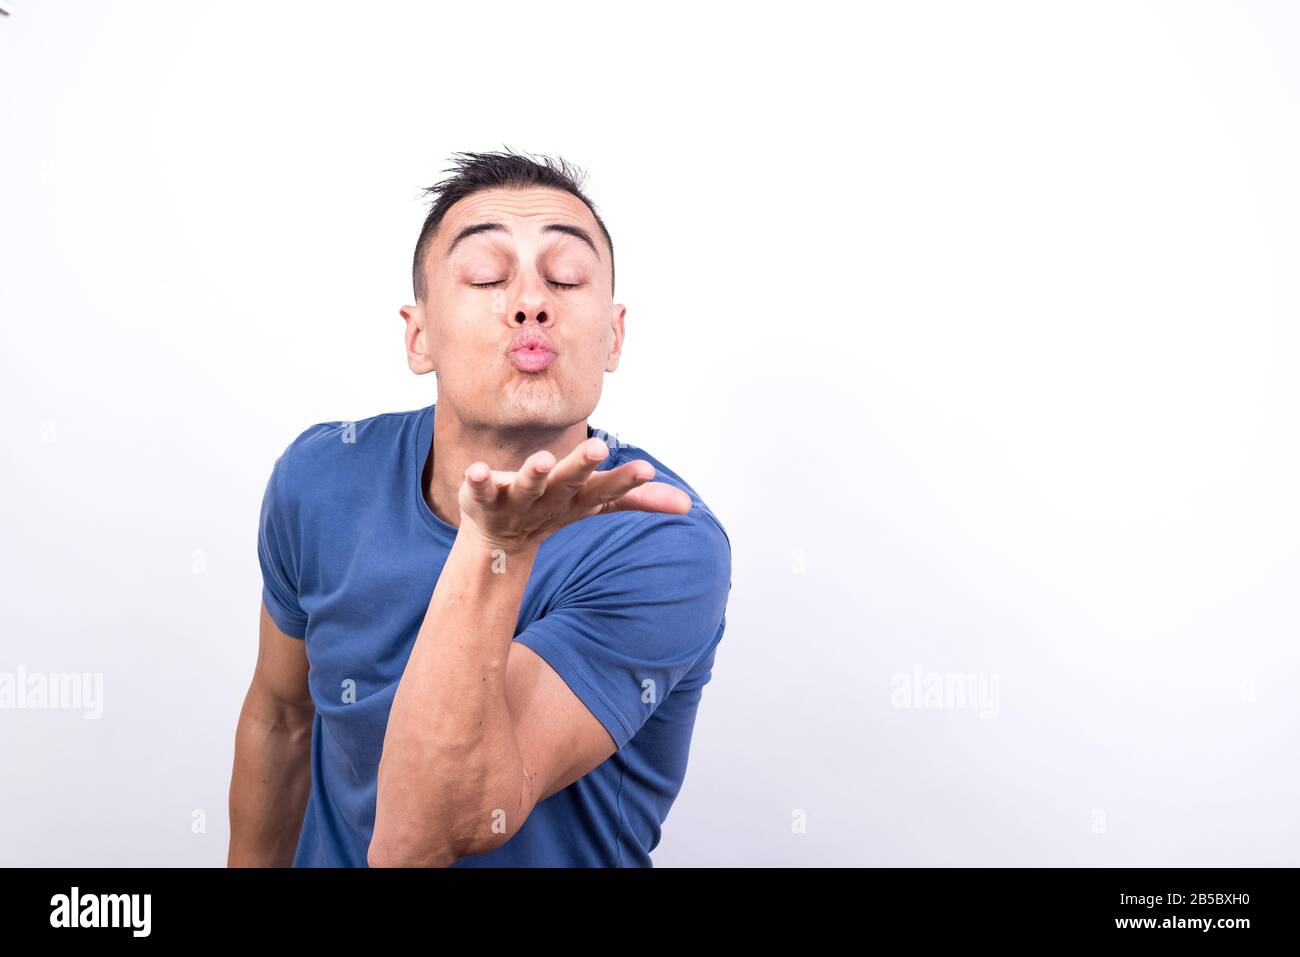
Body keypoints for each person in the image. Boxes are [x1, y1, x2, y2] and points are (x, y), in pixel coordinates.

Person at [227, 148, 733, 867]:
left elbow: (423, 834)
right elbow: (278, 717)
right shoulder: (319, 477)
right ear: (419, 334)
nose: (530, 301)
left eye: (565, 277)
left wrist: (500, 546)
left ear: (613, 335)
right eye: (488, 276)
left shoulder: (663, 540)